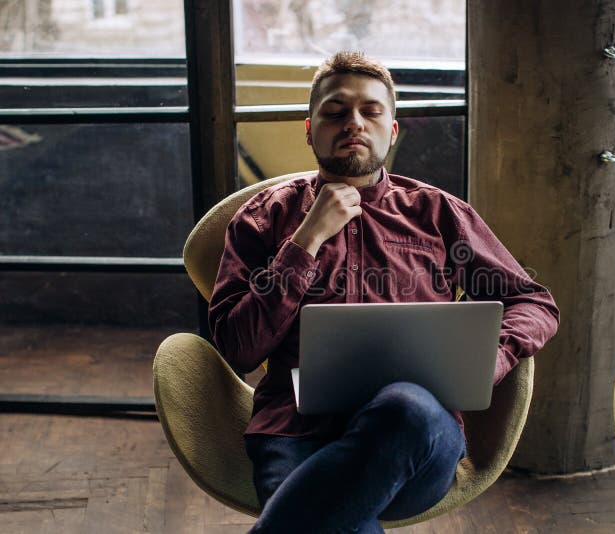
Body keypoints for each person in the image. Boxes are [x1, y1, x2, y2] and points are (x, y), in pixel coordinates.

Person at [209, 51, 559, 533]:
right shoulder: (263, 218)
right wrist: (305, 241)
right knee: (335, 517)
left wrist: (486, 361)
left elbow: (533, 302)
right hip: (295, 434)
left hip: (417, 437)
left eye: (370, 111)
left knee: (404, 405)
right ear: (310, 130)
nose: (353, 123)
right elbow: (237, 347)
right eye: (335, 112)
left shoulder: (438, 215)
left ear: (391, 131)